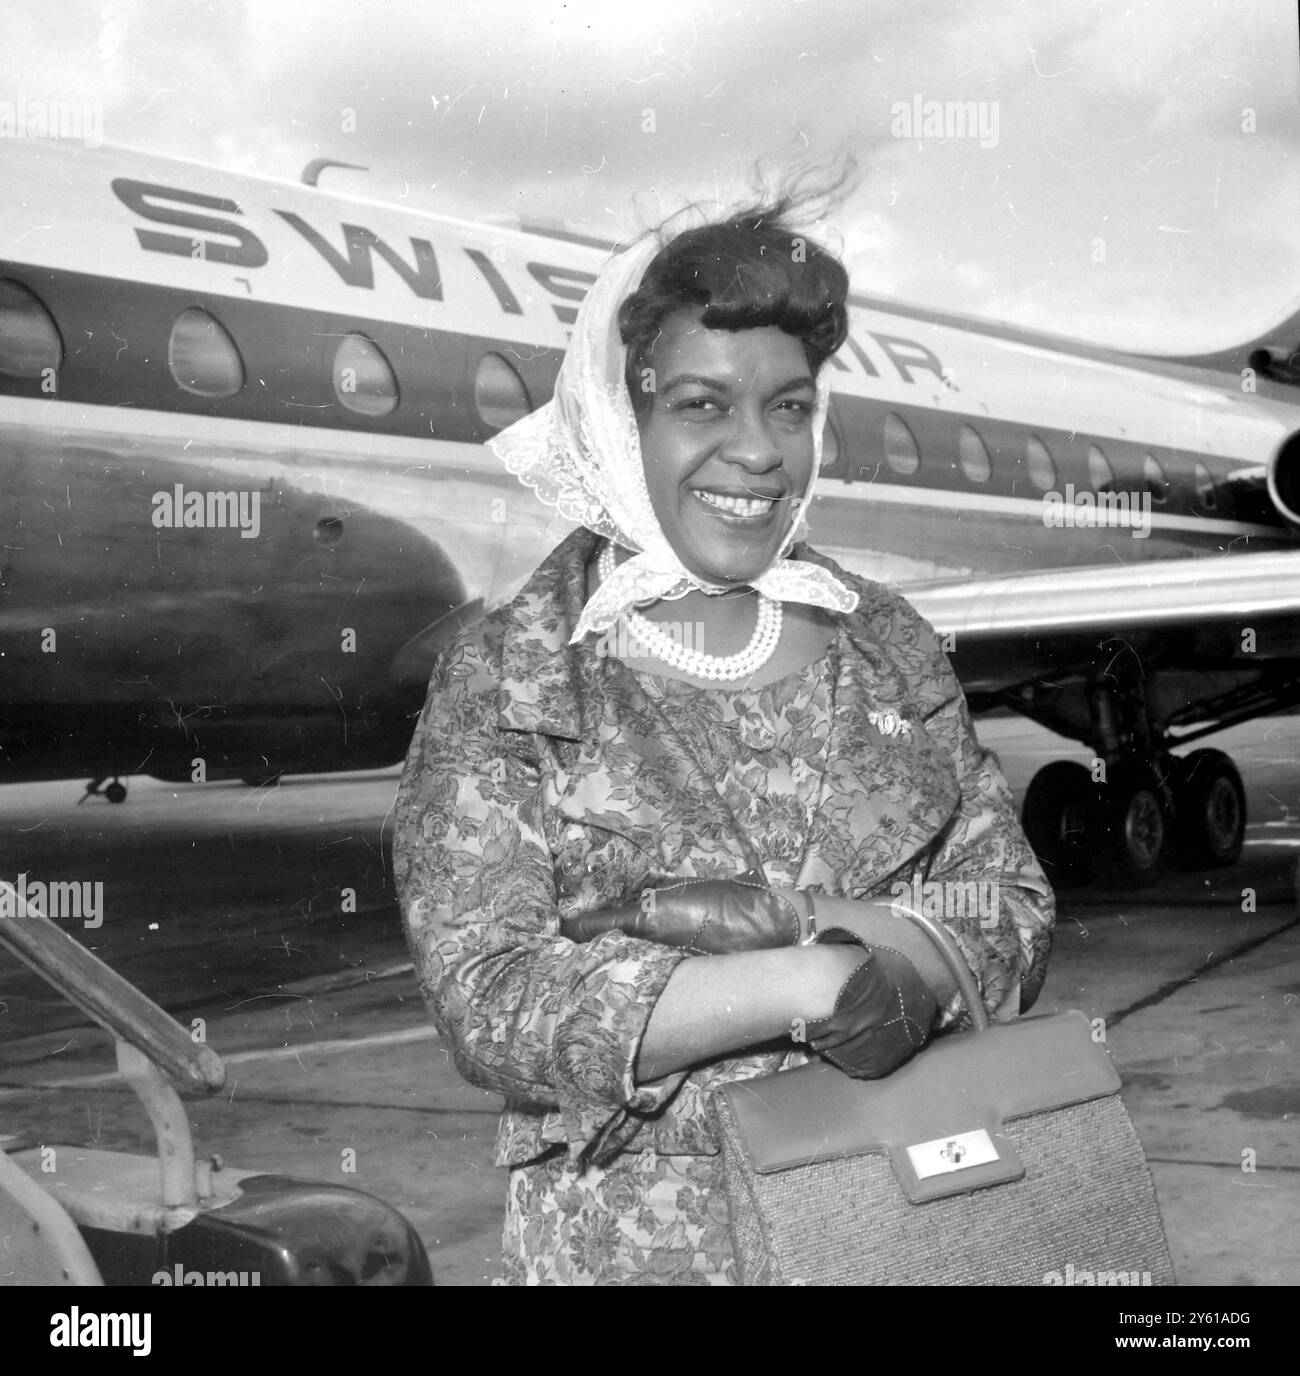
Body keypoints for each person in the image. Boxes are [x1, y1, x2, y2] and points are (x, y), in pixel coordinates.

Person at [392, 199, 1055, 1285]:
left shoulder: (880, 637)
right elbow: (490, 995)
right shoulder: (515, 671)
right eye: (702, 404)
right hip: (642, 1250)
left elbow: (1010, 899)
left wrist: (863, 946)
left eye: (787, 408)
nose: (755, 452)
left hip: (909, 1228)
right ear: (621, 414)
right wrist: (808, 981)